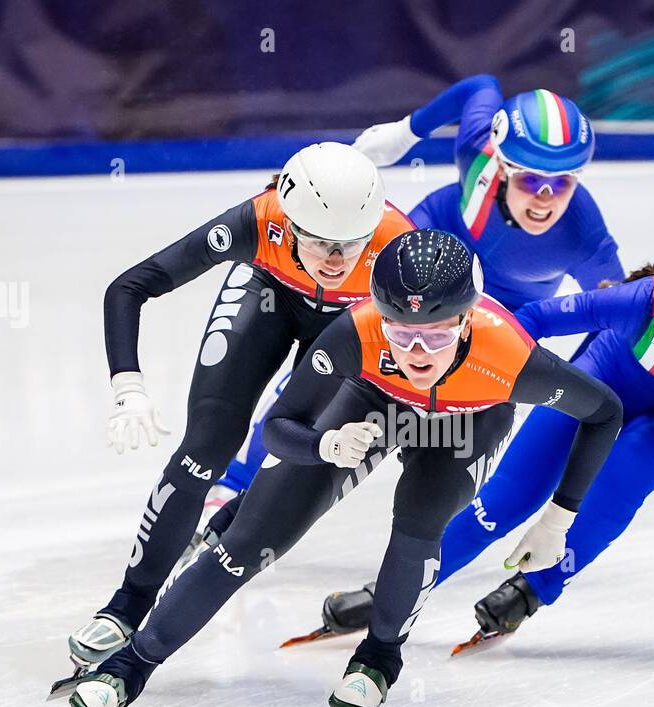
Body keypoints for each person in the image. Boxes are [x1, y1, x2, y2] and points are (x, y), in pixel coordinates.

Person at [53, 230, 623, 707]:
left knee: (419, 523)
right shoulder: (355, 332)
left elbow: (605, 412)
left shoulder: (512, 357)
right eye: (401, 333)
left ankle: (378, 656)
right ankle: (132, 665)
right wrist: (322, 448)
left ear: (468, 321)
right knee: (247, 543)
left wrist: (558, 518)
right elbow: (279, 425)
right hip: (371, 403)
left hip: (468, 421)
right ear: (380, 315)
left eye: (436, 335)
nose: (417, 353)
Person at [318, 227, 654, 657]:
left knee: (636, 459)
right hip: (609, 380)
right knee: (507, 499)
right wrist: (457, 372)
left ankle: (537, 587)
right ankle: (394, 592)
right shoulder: (637, 303)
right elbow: (529, 322)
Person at [62, 143, 413, 678]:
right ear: (290, 222)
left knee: (296, 456)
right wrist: (127, 386)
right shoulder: (257, 220)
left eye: (351, 245)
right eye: (321, 244)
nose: (337, 261)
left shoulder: (397, 247)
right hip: (267, 295)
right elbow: (129, 287)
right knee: (205, 449)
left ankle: (223, 523)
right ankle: (128, 604)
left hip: (346, 326)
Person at [207, 76, 623, 504]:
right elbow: (479, 86)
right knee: (334, 355)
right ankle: (239, 480)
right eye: (530, 181)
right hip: (424, 249)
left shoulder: (584, 235)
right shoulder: (476, 145)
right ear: (500, 163)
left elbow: (615, 316)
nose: (545, 198)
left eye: (564, 182)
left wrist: (570, 381)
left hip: (499, 313)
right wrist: (408, 130)